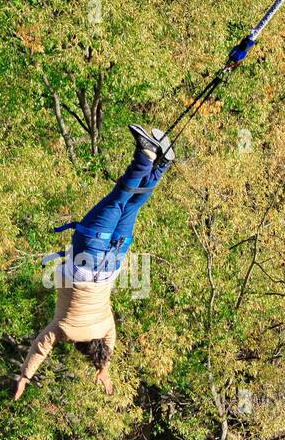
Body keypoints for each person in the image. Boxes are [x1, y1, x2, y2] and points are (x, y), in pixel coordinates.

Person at [13, 124, 173, 399]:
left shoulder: (105, 326)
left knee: (131, 205)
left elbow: (111, 340)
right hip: (88, 254)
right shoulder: (63, 328)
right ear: (80, 344)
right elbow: (41, 347)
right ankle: (146, 155)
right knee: (117, 199)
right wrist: (24, 377)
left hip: (114, 259)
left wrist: (104, 369)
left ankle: (162, 165)